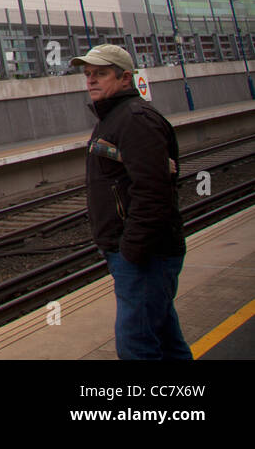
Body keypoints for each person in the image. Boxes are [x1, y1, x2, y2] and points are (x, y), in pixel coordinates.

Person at [73, 44, 190, 360]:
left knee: (136, 346)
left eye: (100, 73)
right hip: (137, 254)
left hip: (145, 256)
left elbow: (153, 193)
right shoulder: (113, 118)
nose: (91, 80)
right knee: (164, 338)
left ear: (125, 78)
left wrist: (131, 251)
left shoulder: (135, 119)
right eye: (87, 74)